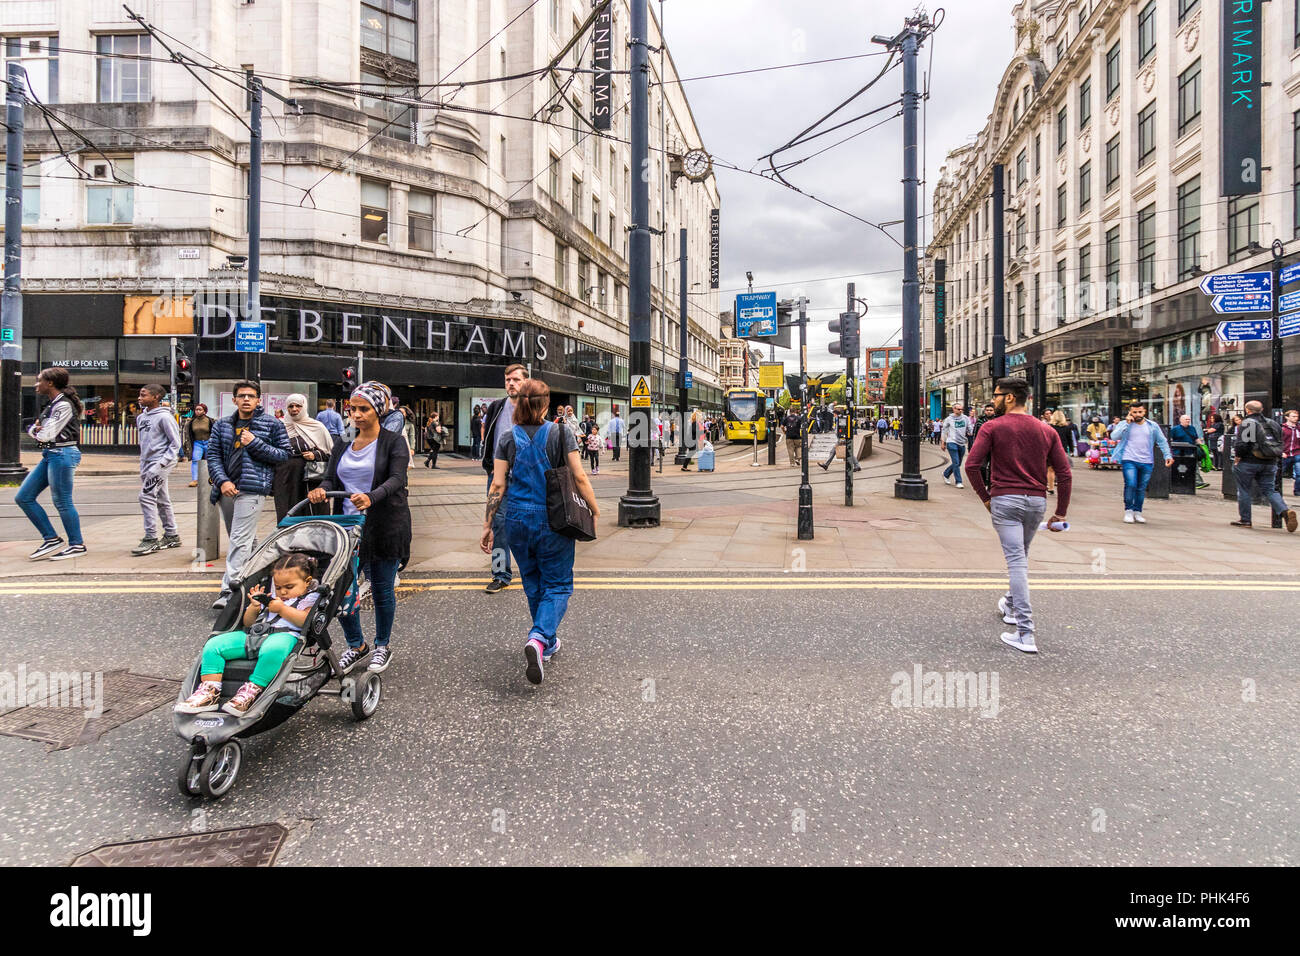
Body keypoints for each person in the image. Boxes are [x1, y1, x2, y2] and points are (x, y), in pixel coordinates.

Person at [481, 378, 598, 685]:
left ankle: (547, 641)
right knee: (558, 585)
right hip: (553, 520)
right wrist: (594, 509)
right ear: (546, 404)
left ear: (519, 404)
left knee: (533, 581)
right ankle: (538, 637)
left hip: (517, 521)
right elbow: (579, 476)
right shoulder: (561, 433)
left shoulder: (507, 436)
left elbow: (497, 484)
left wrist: (488, 523)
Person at [308, 382, 413, 672]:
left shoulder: (393, 441)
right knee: (342, 590)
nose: (356, 415)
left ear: (378, 410)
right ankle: (357, 645)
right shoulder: (344, 439)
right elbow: (332, 479)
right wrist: (322, 489)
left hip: (384, 525)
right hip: (346, 527)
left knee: (381, 589)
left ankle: (382, 645)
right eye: (353, 409)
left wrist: (371, 496)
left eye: (363, 409)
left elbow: (396, 480)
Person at [964, 377, 1071, 655]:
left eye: (997, 395)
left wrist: (986, 498)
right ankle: (1010, 607)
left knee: (1016, 563)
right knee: (1020, 557)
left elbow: (973, 466)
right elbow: (1065, 473)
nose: (994, 400)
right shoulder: (1046, 430)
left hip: (1005, 501)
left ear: (1010, 398)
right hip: (1036, 503)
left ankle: (1025, 632)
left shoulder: (992, 427)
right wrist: (1060, 512)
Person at [174, 554, 322, 716]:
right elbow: (248, 622)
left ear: (307, 582)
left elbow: (304, 621)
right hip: (254, 636)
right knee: (214, 645)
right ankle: (209, 691)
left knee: (274, 650)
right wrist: (254, 607)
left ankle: (251, 691)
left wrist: (282, 609)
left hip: (284, 636)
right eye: (278, 587)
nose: (283, 591)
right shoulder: (271, 597)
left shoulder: (310, 597)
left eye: (289, 587)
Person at [207, 381, 291, 610]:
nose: (246, 399)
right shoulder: (222, 425)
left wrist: (254, 443)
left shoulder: (272, 424)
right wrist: (222, 481)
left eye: (251, 396)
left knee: (239, 541)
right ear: (234, 400)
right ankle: (260, 581)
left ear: (258, 400)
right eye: (242, 395)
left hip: (252, 489)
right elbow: (213, 456)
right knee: (246, 541)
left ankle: (228, 591)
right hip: (226, 490)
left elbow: (284, 455)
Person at [17, 366, 87, 561]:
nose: (36, 384)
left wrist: (33, 430)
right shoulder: (52, 404)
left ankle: (77, 544)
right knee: (23, 497)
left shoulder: (63, 405)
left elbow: (45, 434)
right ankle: (51, 539)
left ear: (50, 383)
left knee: (62, 501)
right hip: (51, 454)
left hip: (63, 453)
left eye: (39, 380)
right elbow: (43, 434)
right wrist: (38, 430)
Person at [480, 364, 528, 593]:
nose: (511, 383)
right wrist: (488, 465)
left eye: (516, 380)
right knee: (498, 527)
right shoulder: (497, 407)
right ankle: (500, 574)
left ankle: (534, 569)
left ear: (525, 382)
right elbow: (489, 436)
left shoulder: (532, 408)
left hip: (527, 478)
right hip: (498, 478)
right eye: (508, 379)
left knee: (530, 524)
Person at [1230, 401, 1297, 532]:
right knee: (1270, 490)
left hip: (1249, 461)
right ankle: (1284, 511)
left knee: (1244, 489)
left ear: (1247, 410)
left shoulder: (1248, 423)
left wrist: (1238, 457)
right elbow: (1280, 441)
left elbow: (1242, 444)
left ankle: (1245, 520)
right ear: (1261, 409)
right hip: (1270, 462)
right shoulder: (1273, 423)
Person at [132, 384, 182, 556]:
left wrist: (162, 463)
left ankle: (151, 538)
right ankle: (171, 534)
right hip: (146, 462)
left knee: (145, 496)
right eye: (140, 395)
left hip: (159, 463)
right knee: (162, 498)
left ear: (155, 397)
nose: (139, 398)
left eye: (143, 395)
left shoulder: (165, 417)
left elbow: (175, 443)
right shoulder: (141, 417)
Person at [1110, 403, 1174, 524]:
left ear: (1144, 412)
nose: (1137, 414)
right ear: (1130, 412)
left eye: (1140, 412)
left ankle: (1137, 512)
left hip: (1147, 461)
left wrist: (1168, 455)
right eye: (1134, 412)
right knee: (1131, 484)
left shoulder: (1152, 426)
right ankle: (1128, 510)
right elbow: (1114, 437)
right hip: (1129, 459)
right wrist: (1126, 424)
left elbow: (1162, 441)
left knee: (1141, 488)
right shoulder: (1124, 424)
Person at [273, 393, 333, 521]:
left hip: (311, 479)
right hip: (285, 480)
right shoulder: (279, 427)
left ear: (304, 406)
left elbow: (330, 454)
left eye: (298, 406)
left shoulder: (317, 427)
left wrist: (315, 455)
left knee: (313, 515)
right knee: (288, 514)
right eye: (291, 406)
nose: (294, 409)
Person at [1170, 414, 1210, 490]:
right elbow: (1170, 439)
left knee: (1194, 466)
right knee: (1177, 467)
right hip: (1178, 452)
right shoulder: (1175, 429)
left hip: (1190, 451)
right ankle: (1177, 481)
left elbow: (1196, 438)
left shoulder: (1192, 428)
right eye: (1186, 419)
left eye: (1189, 419)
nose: (1188, 421)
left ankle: (1198, 482)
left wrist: (1202, 446)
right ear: (1181, 420)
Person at [940, 403, 974, 489]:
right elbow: (944, 431)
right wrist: (943, 443)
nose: (960, 410)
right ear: (954, 409)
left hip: (962, 443)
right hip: (951, 442)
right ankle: (958, 481)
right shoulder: (949, 419)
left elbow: (970, 428)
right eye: (958, 409)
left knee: (958, 463)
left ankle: (946, 474)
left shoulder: (965, 418)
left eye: (961, 409)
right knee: (956, 462)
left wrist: (970, 431)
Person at [186, 403, 213, 488]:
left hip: (208, 442)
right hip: (197, 443)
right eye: (196, 409)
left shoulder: (210, 421)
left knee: (210, 461)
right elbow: (188, 433)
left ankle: (211, 478)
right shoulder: (192, 422)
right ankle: (195, 480)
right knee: (195, 460)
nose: (197, 411)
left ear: (204, 411)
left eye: (200, 409)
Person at [1280, 408, 1300, 496]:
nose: (1296, 418)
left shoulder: (1298, 428)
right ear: (1287, 417)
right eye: (1293, 416)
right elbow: (1278, 441)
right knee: (1279, 472)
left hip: (1297, 453)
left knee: (1299, 474)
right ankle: (1276, 490)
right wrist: (1281, 451)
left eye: (1297, 416)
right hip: (1285, 453)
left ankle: (1297, 490)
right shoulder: (1282, 428)